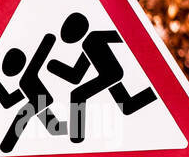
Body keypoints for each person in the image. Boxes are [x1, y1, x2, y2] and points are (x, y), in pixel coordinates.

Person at [48, 12, 157, 142]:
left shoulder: (95, 36)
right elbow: (76, 75)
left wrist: (140, 43)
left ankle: (77, 135)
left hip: (112, 74)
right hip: (110, 76)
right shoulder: (87, 44)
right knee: (127, 105)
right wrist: (55, 67)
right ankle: (155, 93)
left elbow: (124, 36)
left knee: (78, 94)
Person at [0, 34, 67, 153]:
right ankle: (72, 137)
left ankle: (6, 146)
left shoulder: (29, 72)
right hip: (39, 101)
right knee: (55, 129)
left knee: (22, 115)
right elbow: (9, 101)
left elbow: (42, 52)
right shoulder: (22, 82)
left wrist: (48, 39)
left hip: (41, 100)